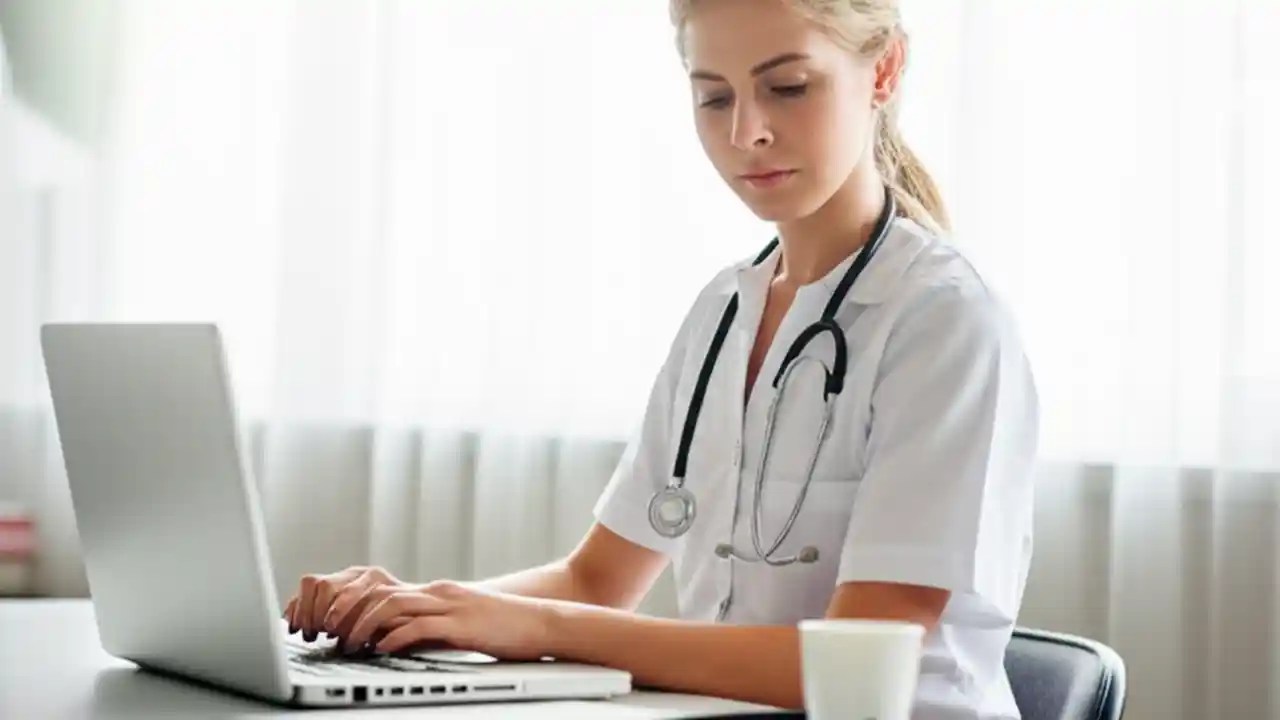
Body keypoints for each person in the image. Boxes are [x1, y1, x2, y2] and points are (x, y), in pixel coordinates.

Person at [283, 1, 1038, 716]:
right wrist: (413, 611)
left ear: (884, 70)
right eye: (714, 98)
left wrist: (537, 627)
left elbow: (856, 662)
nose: (746, 132)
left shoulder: (943, 321)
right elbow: (595, 581)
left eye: (788, 87)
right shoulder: (724, 311)